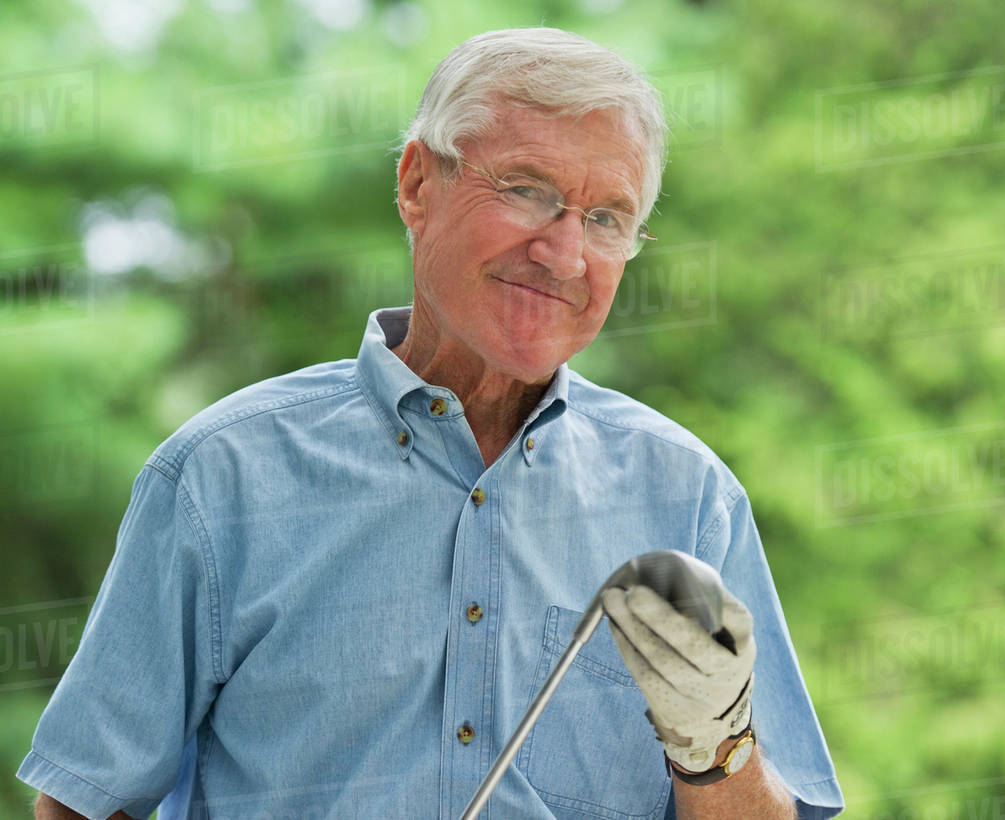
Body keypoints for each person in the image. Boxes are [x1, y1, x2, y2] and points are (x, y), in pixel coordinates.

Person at [18, 27, 844, 820]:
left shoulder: (690, 496)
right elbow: (83, 799)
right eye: (528, 191)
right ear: (418, 184)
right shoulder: (220, 476)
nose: (564, 253)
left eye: (606, 220)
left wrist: (717, 745)